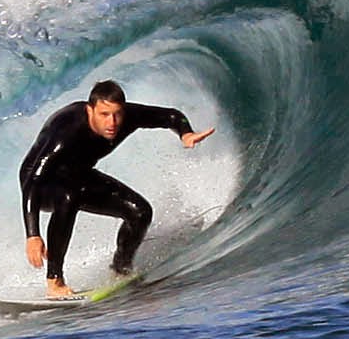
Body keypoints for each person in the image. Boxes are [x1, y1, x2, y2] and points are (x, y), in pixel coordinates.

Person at [19, 80, 214, 298]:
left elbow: (171, 116)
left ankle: (121, 269)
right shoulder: (67, 131)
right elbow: (34, 181)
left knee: (140, 212)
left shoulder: (127, 117)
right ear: (89, 110)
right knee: (68, 196)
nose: (112, 122)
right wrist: (32, 234)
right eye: (104, 114)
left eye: (117, 114)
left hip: (77, 175)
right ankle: (54, 281)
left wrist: (185, 133)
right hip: (41, 183)